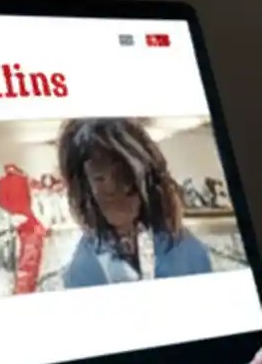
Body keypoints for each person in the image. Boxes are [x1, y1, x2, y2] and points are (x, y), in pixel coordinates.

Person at [58, 118, 213, 289]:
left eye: (122, 174)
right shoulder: (83, 272)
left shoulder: (188, 252)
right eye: (99, 177)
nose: (111, 189)